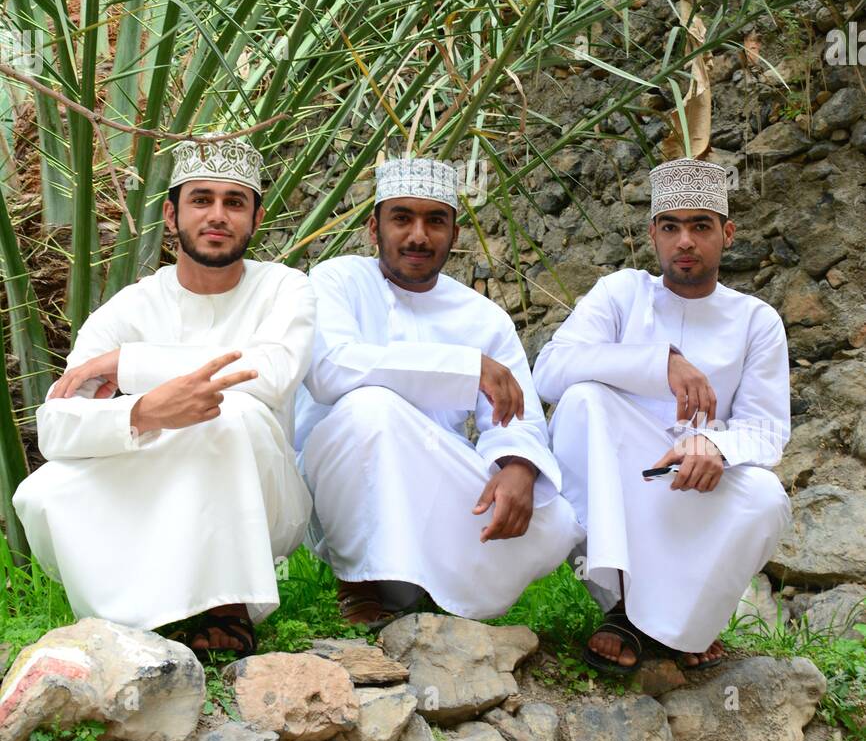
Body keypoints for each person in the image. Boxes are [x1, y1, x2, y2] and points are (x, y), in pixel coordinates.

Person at [13, 137, 316, 656]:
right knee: (44, 491)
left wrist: (127, 365)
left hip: (262, 496)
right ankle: (133, 611)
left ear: (257, 218)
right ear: (172, 215)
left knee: (229, 411)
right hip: (153, 488)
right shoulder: (129, 308)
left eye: (234, 202)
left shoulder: (285, 289)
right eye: (201, 200)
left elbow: (271, 374)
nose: (217, 215)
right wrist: (142, 411)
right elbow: (58, 428)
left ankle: (227, 603)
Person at [294, 155, 580, 627]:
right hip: (337, 470)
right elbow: (329, 370)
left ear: (455, 234)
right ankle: (364, 583)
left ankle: (423, 585)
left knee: (556, 524)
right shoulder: (337, 279)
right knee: (372, 407)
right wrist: (465, 370)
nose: (418, 236)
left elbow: (519, 415)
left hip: (431, 471)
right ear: (374, 228)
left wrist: (519, 465)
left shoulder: (483, 318)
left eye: (435, 221)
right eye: (402, 218)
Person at [532, 157, 792, 672]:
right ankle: (627, 608)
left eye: (700, 226)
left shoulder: (756, 321)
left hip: (696, 483)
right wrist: (660, 363)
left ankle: (686, 622)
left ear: (727, 233)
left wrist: (717, 445)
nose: (685, 242)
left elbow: (766, 428)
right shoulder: (621, 293)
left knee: (766, 496)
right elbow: (550, 370)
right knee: (583, 399)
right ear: (653, 235)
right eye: (671, 227)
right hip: (618, 478)